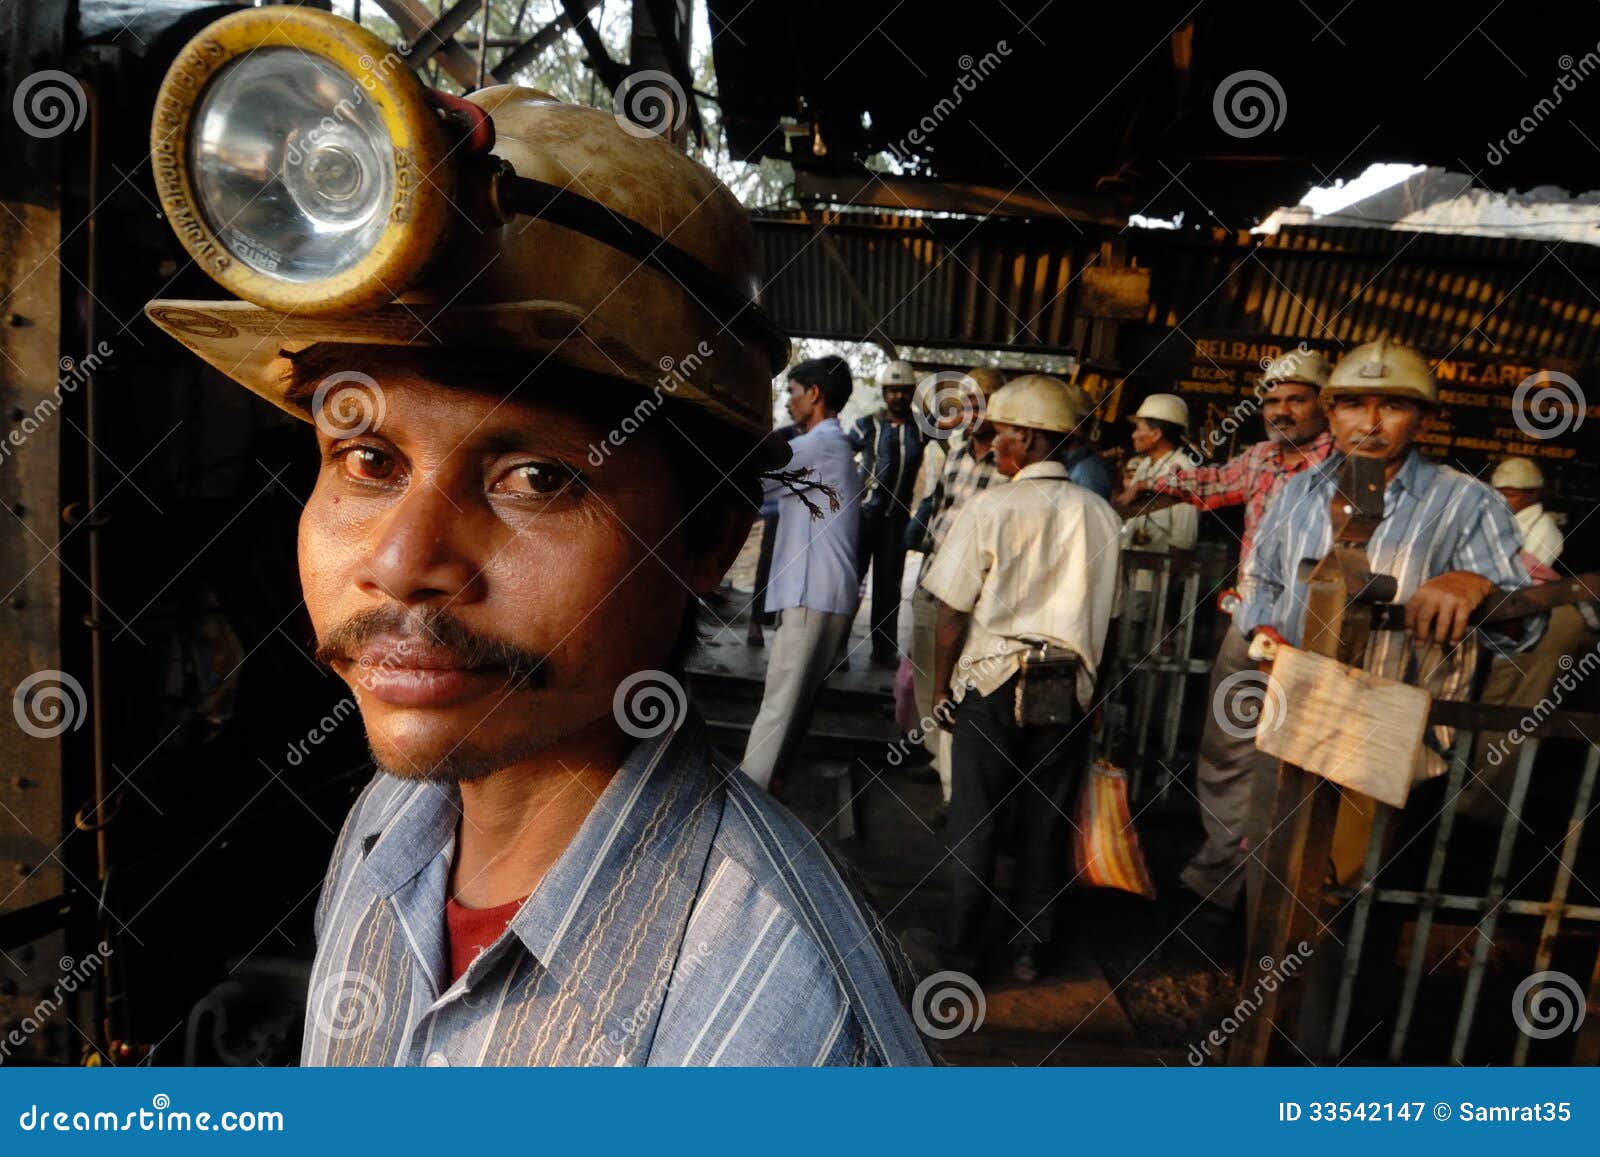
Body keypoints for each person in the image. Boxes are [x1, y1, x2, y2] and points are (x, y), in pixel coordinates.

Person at [146, 86, 926, 1066]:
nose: (400, 564)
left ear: (705, 538)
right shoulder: (394, 823)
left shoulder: (786, 1035)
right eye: (369, 461)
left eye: (538, 478)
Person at [1239, 339, 1542, 884]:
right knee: (1279, 868)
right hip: (1295, 713)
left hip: (1394, 733)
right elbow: (1260, 580)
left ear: (1424, 419)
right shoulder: (1298, 494)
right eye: (1353, 404)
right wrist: (1264, 631)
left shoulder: (1466, 501)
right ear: (1330, 411)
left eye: (1394, 406)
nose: (1370, 423)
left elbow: (1523, 632)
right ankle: (1265, 966)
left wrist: (1476, 585)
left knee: (1354, 889)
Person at [1114, 350, 1335, 914]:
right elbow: (1207, 482)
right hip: (1252, 631)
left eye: (1296, 399)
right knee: (1227, 750)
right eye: (1272, 400)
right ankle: (1222, 876)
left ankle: (1281, 893)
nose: (1282, 411)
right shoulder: (1261, 458)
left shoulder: (1348, 466)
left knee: (1300, 764)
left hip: (1320, 638)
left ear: (1324, 404)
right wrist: (1146, 490)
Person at [923, 375, 1123, 982]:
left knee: (976, 820)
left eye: (1000, 433)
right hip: (1067, 687)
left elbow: (952, 611)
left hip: (991, 682)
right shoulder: (1101, 515)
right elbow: (1111, 626)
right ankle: (1032, 949)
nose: (993, 444)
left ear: (1031, 439)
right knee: (1045, 821)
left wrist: (940, 687)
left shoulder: (990, 508)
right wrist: (1094, 697)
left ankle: (961, 951)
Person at [742, 356, 864, 793]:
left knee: (778, 707)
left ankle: (749, 804)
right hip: (826, 592)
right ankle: (773, 784)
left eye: (793, 392)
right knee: (795, 705)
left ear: (815, 394)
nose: (789, 402)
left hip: (814, 592)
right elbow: (767, 502)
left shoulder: (818, 446)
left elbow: (746, 482)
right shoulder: (829, 448)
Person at [1463, 456, 1596, 819]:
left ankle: (1483, 808)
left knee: (1514, 714)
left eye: (1516, 493)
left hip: (1545, 624)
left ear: (1534, 493)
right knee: (1494, 708)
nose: (1508, 498)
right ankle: (1473, 801)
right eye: (1502, 491)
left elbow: (1524, 582)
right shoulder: (1493, 521)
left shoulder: (1544, 529)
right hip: (1511, 626)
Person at [908, 367, 1007, 805]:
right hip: (934, 583)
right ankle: (939, 765)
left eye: (980, 399)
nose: (970, 409)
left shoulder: (1011, 464)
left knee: (960, 686)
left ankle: (956, 793)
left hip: (974, 599)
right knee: (926, 680)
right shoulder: (955, 455)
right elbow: (938, 511)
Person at [850, 359, 927, 666]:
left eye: (904, 390)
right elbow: (842, 457)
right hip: (864, 516)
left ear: (912, 393)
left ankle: (883, 651)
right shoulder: (865, 425)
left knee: (888, 586)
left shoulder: (921, 430)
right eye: (892, 390)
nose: (897, 396)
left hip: (896, 520)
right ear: (883, 392)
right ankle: (835, 645)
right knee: (851, 582)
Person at [1492, 456, 1563, 573]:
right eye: (1496, 494)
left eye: (1510, 495)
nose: (1501, 500)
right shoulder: (1497, 519)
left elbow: (1523, 576)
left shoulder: (1543, 529)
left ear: (1534, 494)